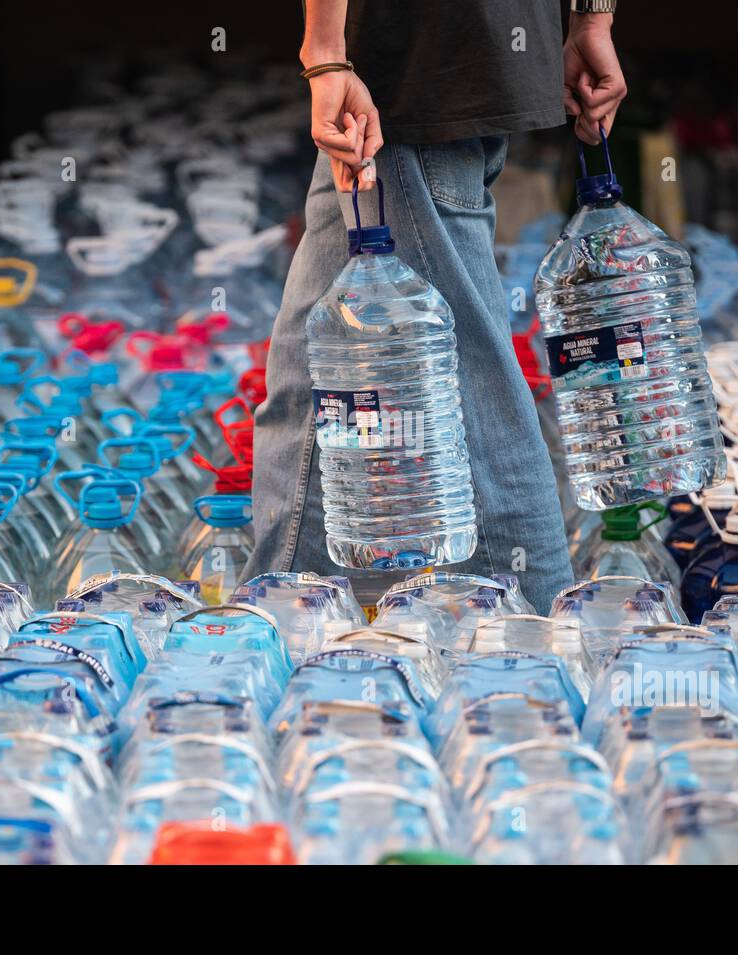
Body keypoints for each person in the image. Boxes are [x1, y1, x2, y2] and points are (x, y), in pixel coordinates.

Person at [246, 0, 628, 613]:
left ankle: (530, 643)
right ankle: (294, 633)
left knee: (466, 393)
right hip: (451, 59)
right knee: (311, 382)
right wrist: (589, 17)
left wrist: (324, 52)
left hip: (408, 75)